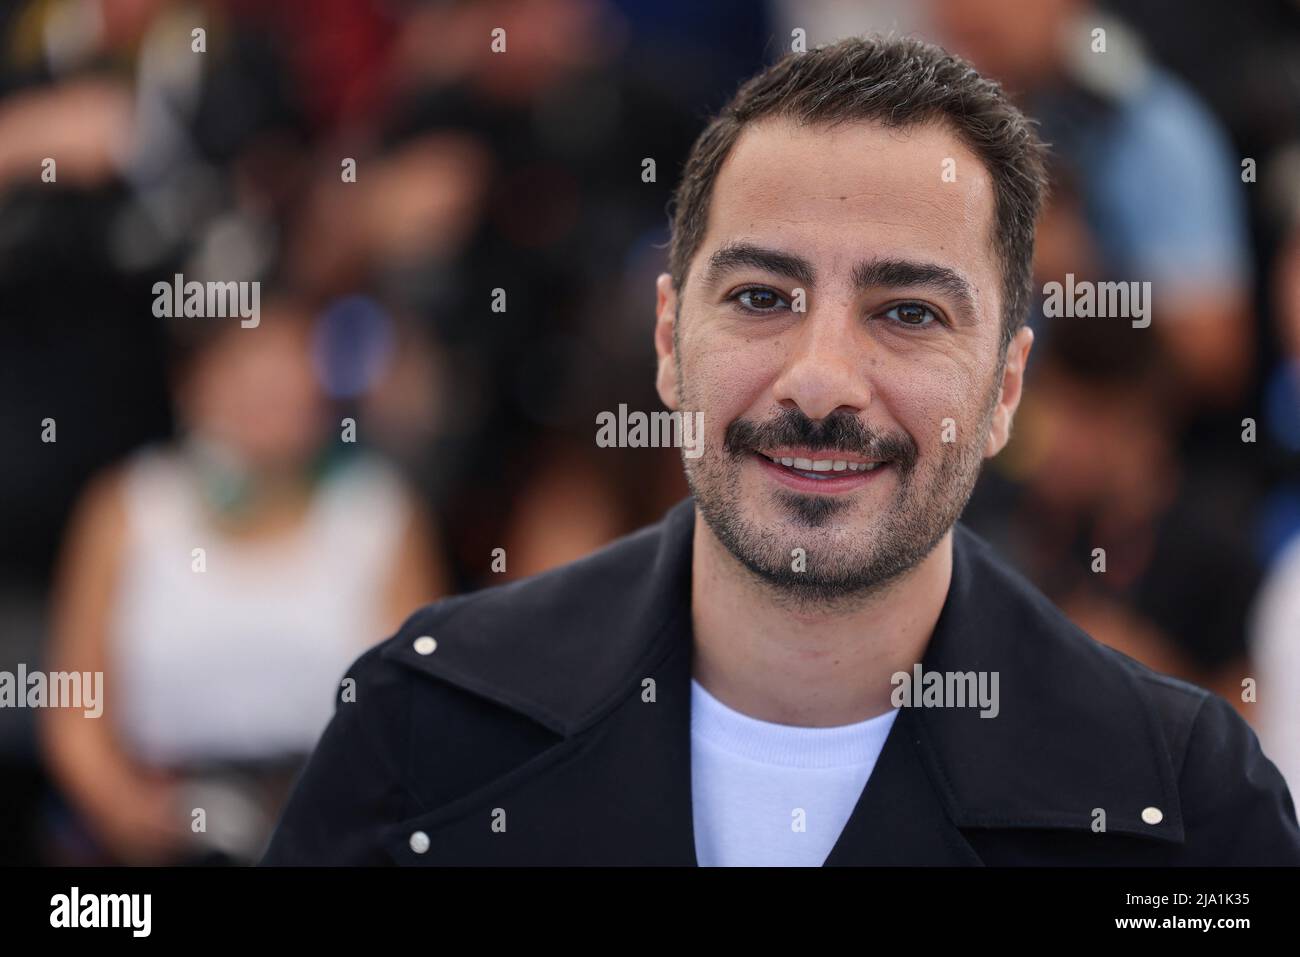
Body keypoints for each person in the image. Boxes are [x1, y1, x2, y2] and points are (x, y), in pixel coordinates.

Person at [261, 35, 1300, 866]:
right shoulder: (427, 727)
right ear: (669, 343)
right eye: (762, 298)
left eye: (906, 312)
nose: (819, 379)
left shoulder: (1179, 805)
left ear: (1004, 389)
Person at [40, 298, 446, 865]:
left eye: (287, 370)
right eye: (244, 368)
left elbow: (421, 712)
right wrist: (126, 813)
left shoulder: (378, 513)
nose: (267, 395)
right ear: (193, 381)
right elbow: (73, 713)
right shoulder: (126, 509)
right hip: (157, 836)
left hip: (331, 834)